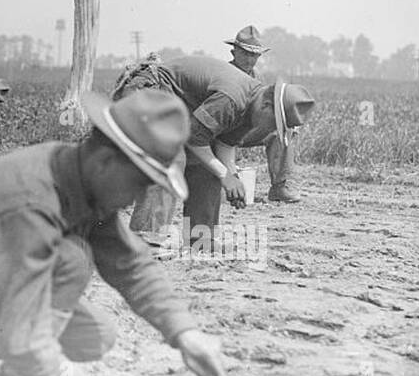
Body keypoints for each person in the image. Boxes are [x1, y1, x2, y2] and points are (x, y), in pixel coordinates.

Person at [0, 88, 232, 376]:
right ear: (105, 162)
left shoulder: (80, 176)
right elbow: (24, 340)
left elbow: (130, 264)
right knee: (70, 260)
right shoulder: (30, 199)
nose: (135, 198)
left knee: (94, 335)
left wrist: (185, 332)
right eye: (139, 184)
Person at [112, 54, 314, 252]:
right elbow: (194, 138)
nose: (269, 128)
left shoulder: (252, 109)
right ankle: (145, 240)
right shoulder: (232, 99)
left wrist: (232, 179)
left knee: (206, 167)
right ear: (267, 105)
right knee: (172, 157)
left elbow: (224, 146)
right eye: (273, 122)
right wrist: (225, 176)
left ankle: (200, 240)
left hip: (177, 109)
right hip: (147, 90)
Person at [224, 25, 301, 202]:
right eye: (244, 53)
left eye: (254, 55)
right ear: (233, 52)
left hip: (245, 130)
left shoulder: (257, 77)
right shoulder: (224, 74)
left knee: (282, 129)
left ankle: (280, 187)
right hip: (221, 133)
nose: (249, 59)